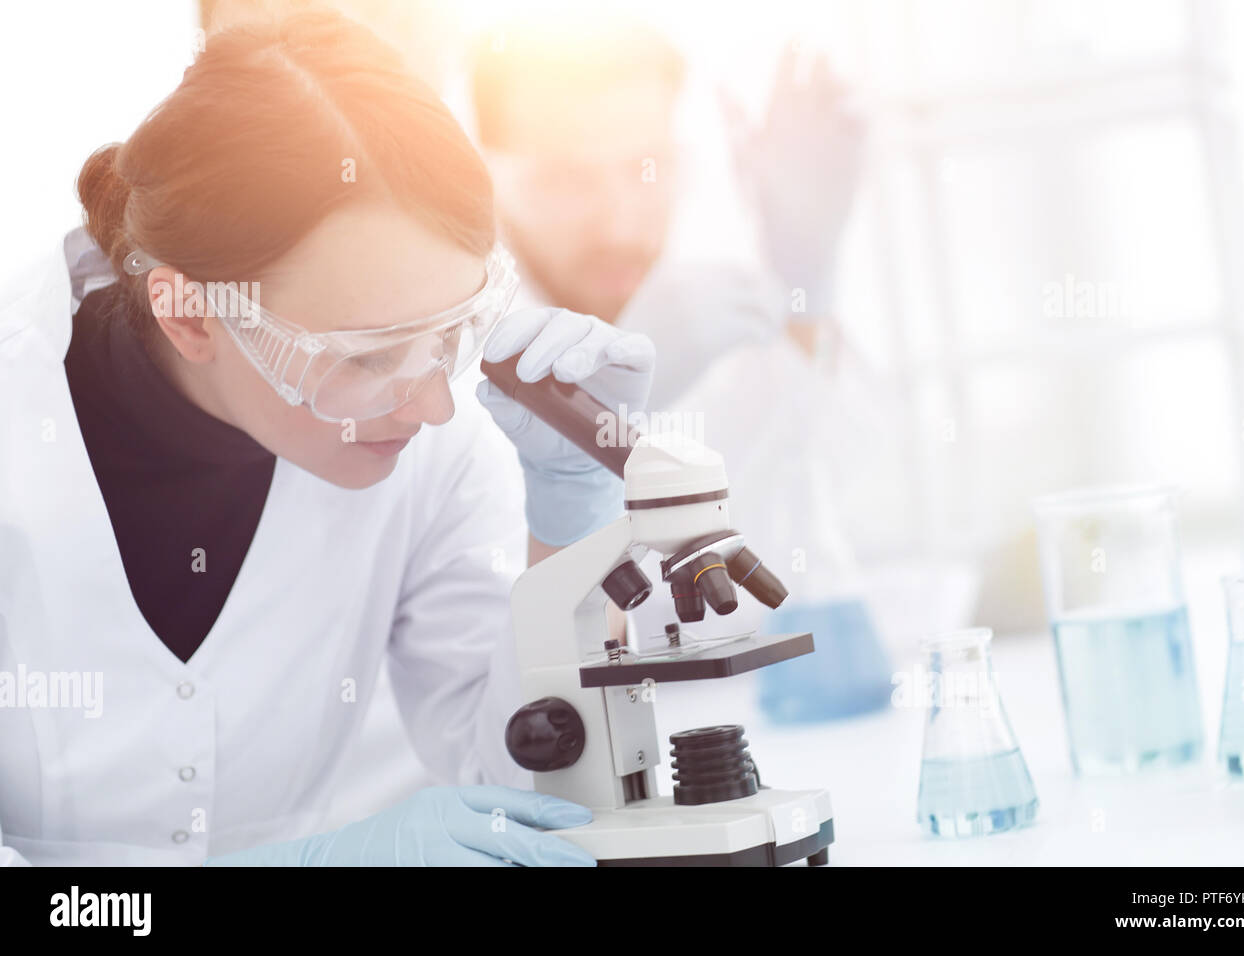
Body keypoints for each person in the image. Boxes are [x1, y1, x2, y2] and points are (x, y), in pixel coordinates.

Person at [0, 10, 655, 866]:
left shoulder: (429, 444)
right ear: (190, 313)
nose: (431, 405)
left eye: (448, 330)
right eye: (368, 355)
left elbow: (532, 789)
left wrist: (576, 530)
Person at [469, 17, 929, 716]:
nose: (619, 222)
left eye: (644, 168)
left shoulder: (708, 312)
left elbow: (839, 497)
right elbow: (485, 628)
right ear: (489, 178)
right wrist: (595, 414)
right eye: (566, 181)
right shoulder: (446, 343)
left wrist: (807, 280)